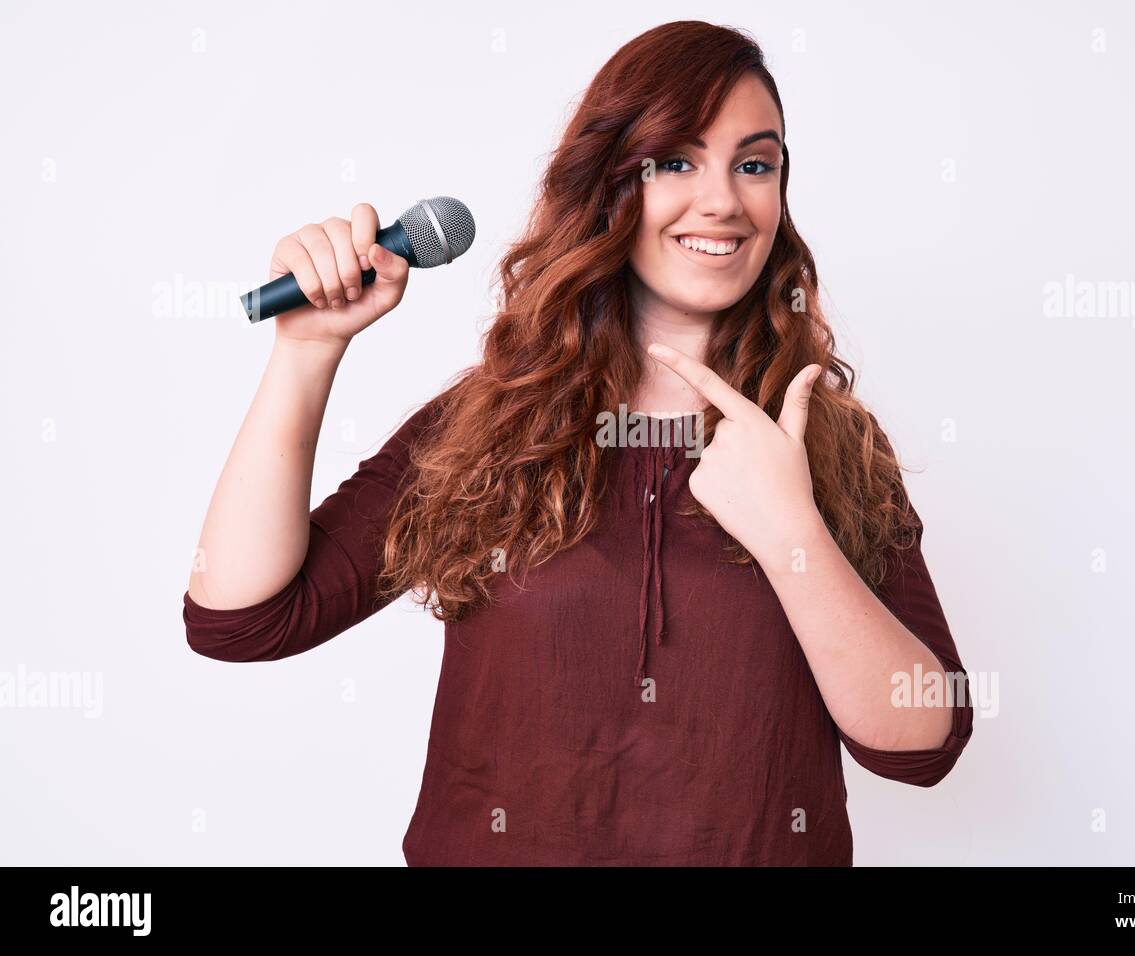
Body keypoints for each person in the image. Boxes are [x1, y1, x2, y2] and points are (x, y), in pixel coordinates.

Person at [183, 20, 974, 866]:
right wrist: (306, 353)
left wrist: (793, 537)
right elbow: (242, 620)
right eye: (674, 160)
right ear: (609, 184)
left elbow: (924, 739)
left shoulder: (825, 438)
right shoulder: (491, 423)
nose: (722, 201)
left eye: (755, 163)